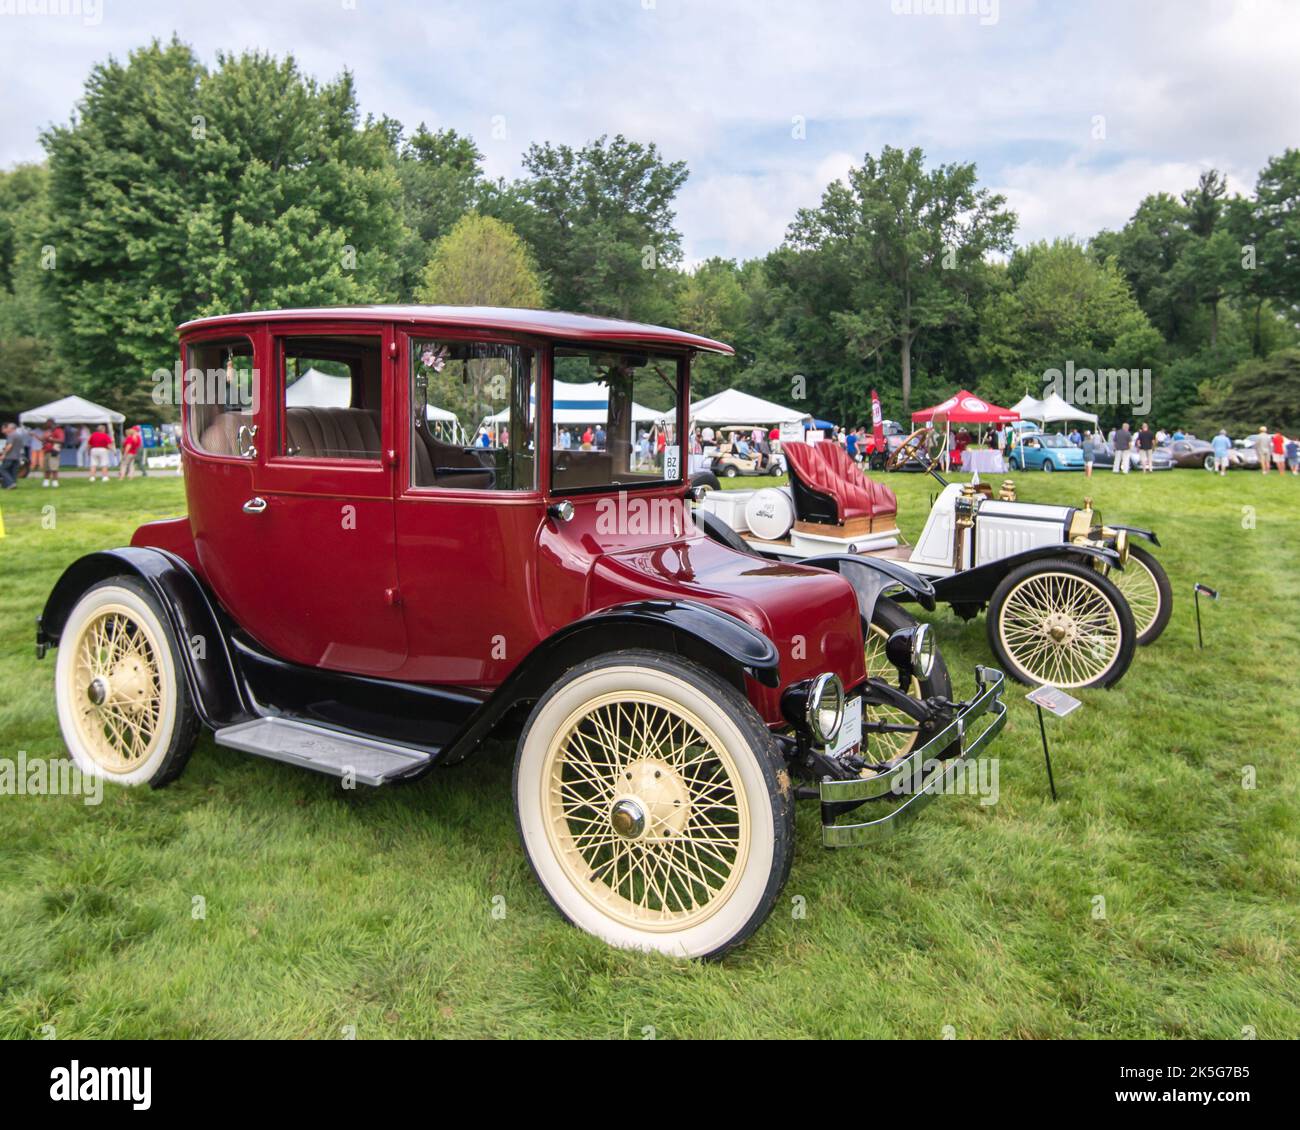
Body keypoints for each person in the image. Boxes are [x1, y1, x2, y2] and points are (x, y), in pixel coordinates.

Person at [1, 421, 28, 489]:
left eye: (8, 427)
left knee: (2, 470)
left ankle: (11, 483)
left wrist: (3, 454)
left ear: (11, 428)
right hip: (17, 457)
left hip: (10, 456)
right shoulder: (19, 436)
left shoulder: (11, 435)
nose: (7, 429)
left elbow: (10, 446)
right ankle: (10, 485)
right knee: (13, 471)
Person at [41, 418, 64, 487]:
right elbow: (44, 439)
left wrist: (50, 439)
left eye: (47, 423)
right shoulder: (48, 431)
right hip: (46, 450)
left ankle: (55, 481)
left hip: (53, 451)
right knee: (46, 468)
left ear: (51, 423)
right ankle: (46, 481)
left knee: (54, 467)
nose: (46, 424)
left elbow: (61, 440)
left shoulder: (58, 430)